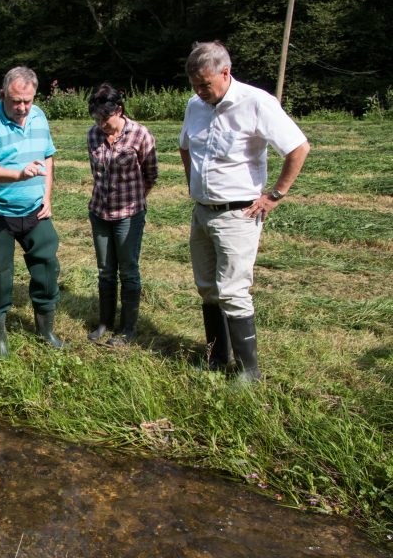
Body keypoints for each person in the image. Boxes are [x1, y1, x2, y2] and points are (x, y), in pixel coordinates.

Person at [179, 41, 310, 382]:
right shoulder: (195, 105)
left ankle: (250, 372)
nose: (200, 90)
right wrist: (194, 182)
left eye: (205, 84)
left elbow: (298, 147)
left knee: (233, 290)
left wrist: (275, 195)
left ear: (226, 73)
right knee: (207, 287)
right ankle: (217, 356)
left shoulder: (256, 103)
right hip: (203, 211)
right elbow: (184, 146)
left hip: (240, 215)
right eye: (195, 84)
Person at [0, 66, 63, 358]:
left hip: (35, 211)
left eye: (28, 100)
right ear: (2, 95)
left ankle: (45, 331)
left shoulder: (39, 116)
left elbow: (47, 156)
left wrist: (47, 195)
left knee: (47, 266)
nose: (23, 107)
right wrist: (18, 175)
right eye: (16, 101)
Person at [86, 84, 158, 346]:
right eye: (97, 119)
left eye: (105, 118)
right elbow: (97, 173)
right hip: (99, 213)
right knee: (105, 271)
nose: (101, 124)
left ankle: (128, 328)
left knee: (128, 271)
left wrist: (135, 200)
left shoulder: (140, 135)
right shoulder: (93, 136)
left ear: (119, 110)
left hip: (129, 215)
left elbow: (151, 174)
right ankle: (105, 322)